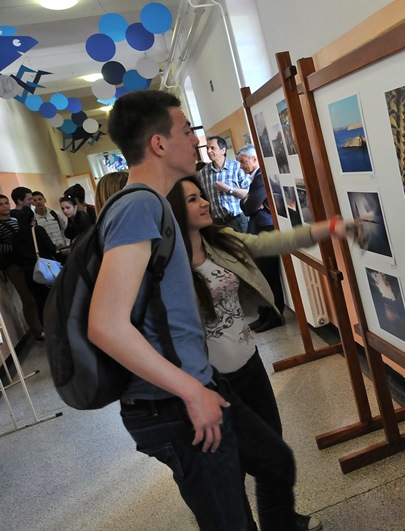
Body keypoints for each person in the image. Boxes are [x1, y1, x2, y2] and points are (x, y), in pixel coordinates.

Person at [87, 89, 318, 531]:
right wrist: (192, 393)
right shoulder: (139, 206)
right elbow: (106, 325)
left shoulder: (155, 206)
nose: (197, 140)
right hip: (173, 402)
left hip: (196, 388)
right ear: (159, 143)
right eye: (185, 130)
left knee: (273, 462)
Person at [167, 176, 355, 531]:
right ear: (174, 210)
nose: (204, 202)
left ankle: (281, 520)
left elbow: (273, 241)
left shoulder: (221, 240)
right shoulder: (166, 267)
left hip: (249, 364)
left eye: (202, 195)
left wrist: (330, 227)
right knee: (231, 466)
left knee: (272, 450)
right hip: (213, 383)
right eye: (192, 199)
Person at [236, 145, 285, 332]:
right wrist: (248, 200)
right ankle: (264, 315)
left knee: (269, 277)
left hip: (266, 232)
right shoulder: (255, 179)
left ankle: (275, 316)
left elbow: (249, 208)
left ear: (254, 159)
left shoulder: (261, 177)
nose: (241, 166)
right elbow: (247, 205)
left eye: (243, 161)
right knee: (261, 277)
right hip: (259, 230)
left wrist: (250, 201)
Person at [0, 194, 45, 341]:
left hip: (27, 261)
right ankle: (37, 330)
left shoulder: (16, 220)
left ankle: (44, 324)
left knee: (37, 293)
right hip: (13, 265)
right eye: (1, 204)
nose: (5, 206)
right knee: (28, 298)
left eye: (6, 203)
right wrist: (16, 248)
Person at [197, 136, 251, 232]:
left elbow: (247, 194)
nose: (208, 151)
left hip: (237, 219)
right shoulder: (203, 173)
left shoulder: (237, 167)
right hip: (217, 222)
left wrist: (228, 189)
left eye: (212, 148)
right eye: (207, 148)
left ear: (223, 150)